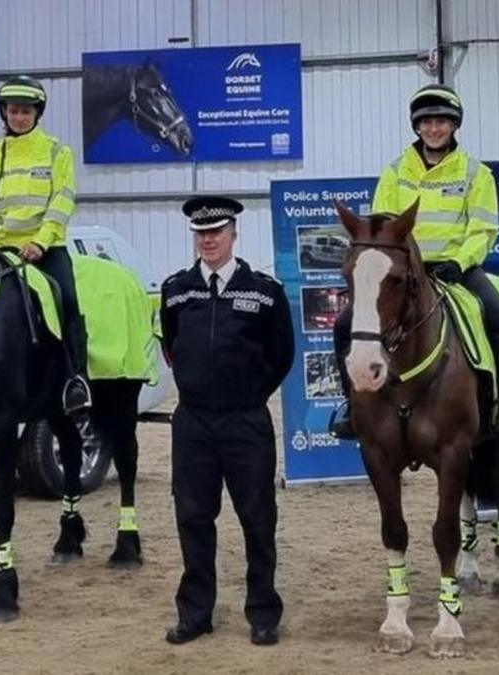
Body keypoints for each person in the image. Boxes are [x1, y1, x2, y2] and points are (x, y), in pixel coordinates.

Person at [330, 84, 499, 439]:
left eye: (442, 121)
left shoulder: (477, 173)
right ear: (416, 127)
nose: (434, 128)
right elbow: (380, 226)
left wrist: (460, 263)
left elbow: (484, 230)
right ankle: (349, 404)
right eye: (427, 121)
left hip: (454, 269)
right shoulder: (395, 171)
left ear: (454, 126)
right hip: (401, 272)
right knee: (343, 324)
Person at [159, 196, 294, 647]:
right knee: (193, 518)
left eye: (216, 231)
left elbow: (281, 355)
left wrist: (250, 394)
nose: (209, 240)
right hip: (193, 424)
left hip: (246, 423)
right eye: (201, 233)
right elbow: (171, 347)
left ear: (234, 233)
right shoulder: (176, 290)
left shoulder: (265, 291)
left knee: (258, 519)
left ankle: (262, 613)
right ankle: (195, 614)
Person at [0, 75, 90, 416]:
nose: (19, 117)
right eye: (13, 111)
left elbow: (62, 201)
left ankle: (75, 381)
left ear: (37, 114)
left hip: (44, 250)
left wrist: (41, 241)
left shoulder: (57, 152)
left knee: (65, 299)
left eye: (26, 111)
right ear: (3, 113)